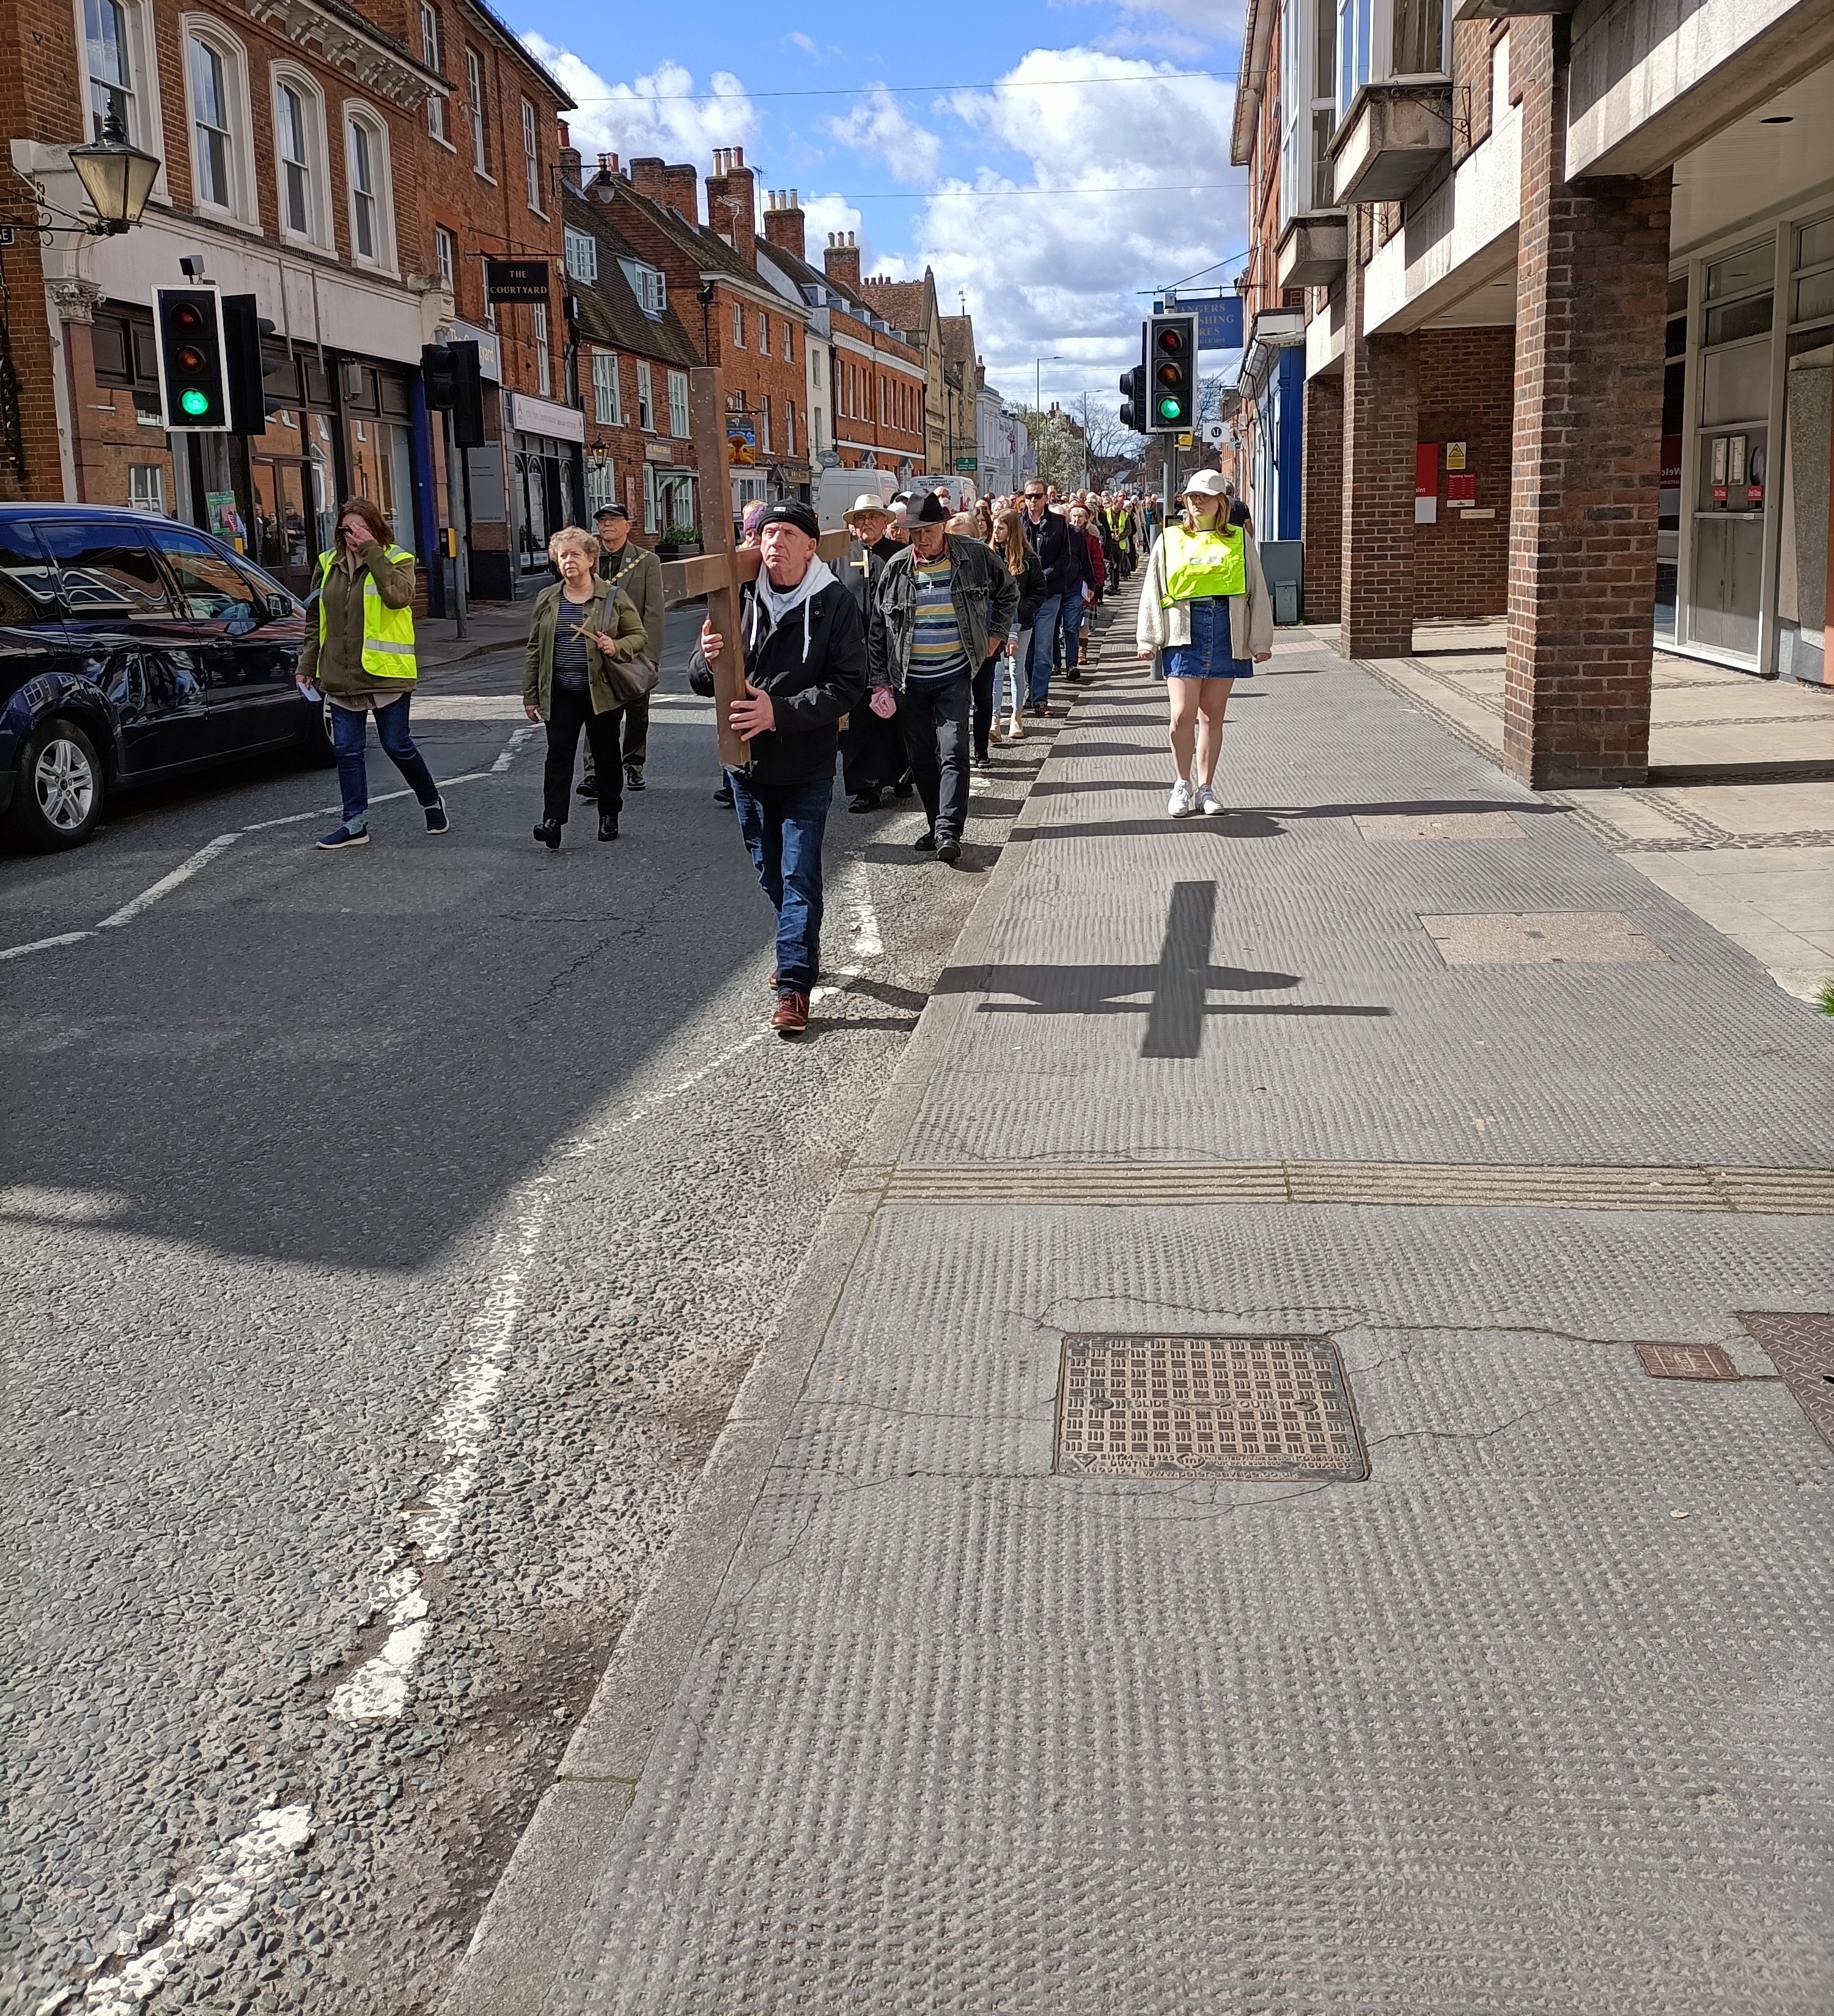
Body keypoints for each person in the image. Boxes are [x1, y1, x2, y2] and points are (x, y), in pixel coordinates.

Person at [691, 500, 865, 1036]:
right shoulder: (737, 599)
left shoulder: (834, 602)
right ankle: (801, 941)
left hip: (807, 765)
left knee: (798, 874)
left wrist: (779, 712)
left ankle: (794, 985)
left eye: (788, 533)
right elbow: (702, 682)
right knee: (771, 873)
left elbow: (848, 685)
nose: (775, 543)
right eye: (769, 533)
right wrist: (706, 656)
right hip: (745, 768)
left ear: (811, 545)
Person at [869, 490, 1017, 863]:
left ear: (943, 526)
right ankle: (937, 826)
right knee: (921, 757)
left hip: (954, 672)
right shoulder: (897, 568)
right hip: (909, 678)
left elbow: (1008, 592)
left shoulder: (974, 556)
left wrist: (996, 636)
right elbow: (877, 629)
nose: (921, 539)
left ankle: (950, 831)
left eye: (928, 530)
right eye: (914, 532)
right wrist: (879, 681)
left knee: (954, 751)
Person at [297, 497, 446, 850]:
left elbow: (398, 598)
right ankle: (355, 823)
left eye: (360, 527)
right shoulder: (327, 563)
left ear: (375, 527)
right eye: (347, 528)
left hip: (386, 673)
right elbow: (315, 619)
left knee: (397, 746)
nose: (352, 535)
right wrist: (306, 664)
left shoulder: (398, 559)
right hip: (340, 673)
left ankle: (430, 801)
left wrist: (373, 552)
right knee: (347, 751)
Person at [1135, 468, 1273, 818]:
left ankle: (1206, 788)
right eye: (1192, 496)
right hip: (1184, 631)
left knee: (1212, 717)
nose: (1197, 502)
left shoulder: (1240, 540)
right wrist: (1148, 638)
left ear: (1220, 502)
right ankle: (1182, 784)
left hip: (1227, 627)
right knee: (1182, 715)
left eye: (1205, 496)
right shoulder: (1169, 538)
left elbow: (1257, 588)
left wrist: (1260, 639)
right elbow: (1152, 590)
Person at [523, 526, 647, 847]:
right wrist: (531, 695)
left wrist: (615, 647)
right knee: (558, 755)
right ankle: (552, 820)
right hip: (561, 691)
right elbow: (535, 648)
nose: (569, 561)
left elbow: (639, 636)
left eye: (575, 554)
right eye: (562, 556)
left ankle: (609, 813)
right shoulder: (548, 598)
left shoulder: (613, 597)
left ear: (591, 559)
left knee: (606, 755)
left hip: (601, 692)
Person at [578, 504, 664, 804]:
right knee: (596, 710)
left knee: (637, 712)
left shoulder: (646, 561)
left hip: (633, 648)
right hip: (596, 650)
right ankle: (593, 772)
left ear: (628, 525)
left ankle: (634, 763)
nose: (607, 525)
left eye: (614, 520)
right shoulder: (589, 559)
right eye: (602, 521)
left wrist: (651, 654)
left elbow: (653, 610)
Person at [837, 493, 906, 812]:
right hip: (852, 649)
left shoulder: (899, 555)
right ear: (852, 525)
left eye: (872, 517)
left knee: (896, 714)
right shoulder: (839, 557)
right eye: (860, 518)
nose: (866, 523)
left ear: (884, 522)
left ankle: (902, 774)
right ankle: (866, 787)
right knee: (860, 722)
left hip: (892, 649)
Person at [975, 506, 1045, 755]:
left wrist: (1022, 611)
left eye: (1002, 528)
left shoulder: (1028, 558)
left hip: (1021, 623)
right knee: (996, 672)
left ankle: (1016, 716)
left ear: (1013, 529)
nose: (997, 532)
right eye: (995, 527)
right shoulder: (988, 553)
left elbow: (1038, 591)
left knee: (1017, 668)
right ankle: (995, 720)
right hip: (993, 624)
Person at [1017, 478, 1078, 717]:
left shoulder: (1058, 523)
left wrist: (1041, 577)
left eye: (1037, 496)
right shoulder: (1017, 523)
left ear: (1046, 498)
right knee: (1026, 650)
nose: (1033, 501)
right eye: (1029, 496)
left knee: (1042, 648)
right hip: (1022, 596)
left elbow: (1065, 559)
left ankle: (1040, 698)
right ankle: (1028, 691)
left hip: (1049, 594)